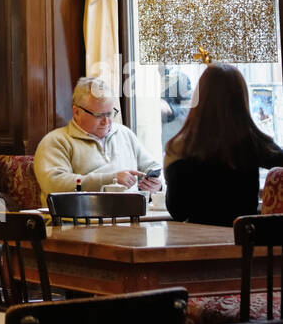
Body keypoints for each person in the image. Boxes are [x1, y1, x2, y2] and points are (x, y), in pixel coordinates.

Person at [164, 63, 283, 227]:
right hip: (242, 241)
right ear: (241, 100)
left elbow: (178, 210)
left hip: (199, 243)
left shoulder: (183, 148)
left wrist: (171, 170)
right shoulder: (252, 142)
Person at [33, 77, 162, 200]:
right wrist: (110, 180)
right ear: (77, 112)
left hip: (132, 215)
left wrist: (157, 186)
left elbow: (152, 168)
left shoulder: (125, 134)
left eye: (110, 113)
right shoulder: (56, 141)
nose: (106, 122)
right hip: (82, 220)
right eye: (99, 115)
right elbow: (54, 184)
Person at [160, 68, 192, 151]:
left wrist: (170, 109)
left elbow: (191, 109)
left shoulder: (179, 78)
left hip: (170, 148)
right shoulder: (141, 78)